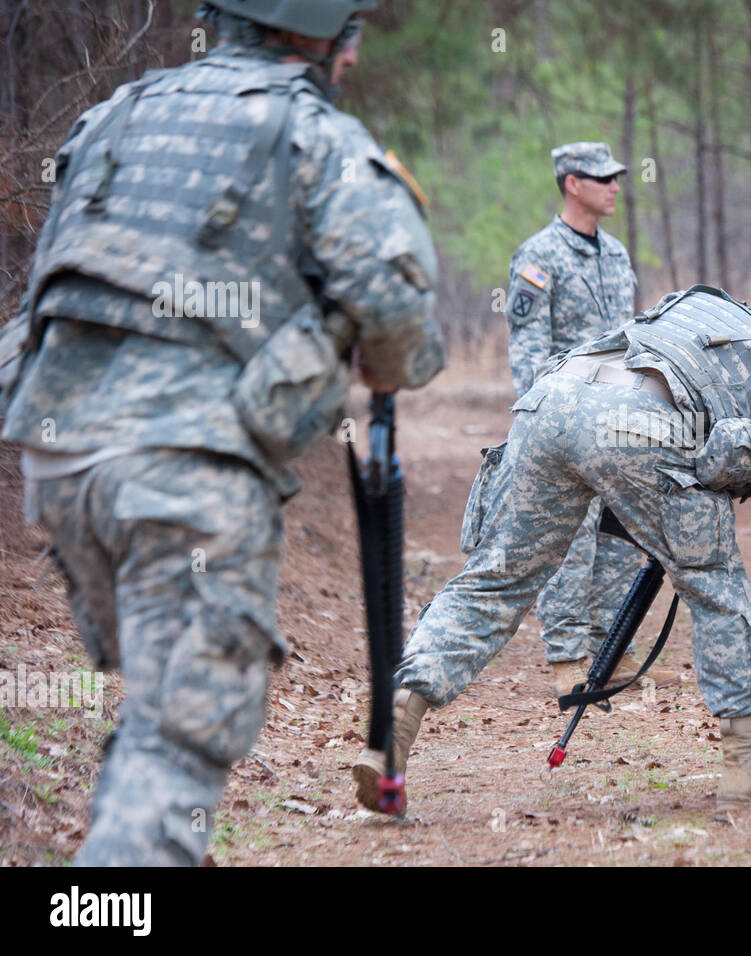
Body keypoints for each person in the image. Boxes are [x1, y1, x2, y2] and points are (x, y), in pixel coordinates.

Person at [1, 0, 445, 865]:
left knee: (158, 711)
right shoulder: (314, 133)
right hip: (190, 471)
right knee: (175, 743)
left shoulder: (118, 114)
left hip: (61, 459)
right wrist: (383, 364)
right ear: (334, 42)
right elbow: (393, 304)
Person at [353, 285, 751, 811]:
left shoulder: (714, 315)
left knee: (495, 580)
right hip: (637, 422)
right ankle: (742, 768)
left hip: (551, 400)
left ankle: (396, 724)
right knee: (714, 582)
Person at [503, 142, 644, 695]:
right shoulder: (539, 257)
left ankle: (612, 647)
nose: (615, 185)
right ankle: (565, 654)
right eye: (603, 177)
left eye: (617, 176)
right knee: (571, 535)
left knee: (620, 531)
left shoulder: (616, 255)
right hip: (568, 419)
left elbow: (633, 337)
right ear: (572, 183)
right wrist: (542, 418)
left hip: (623, 416)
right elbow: (529, 349)